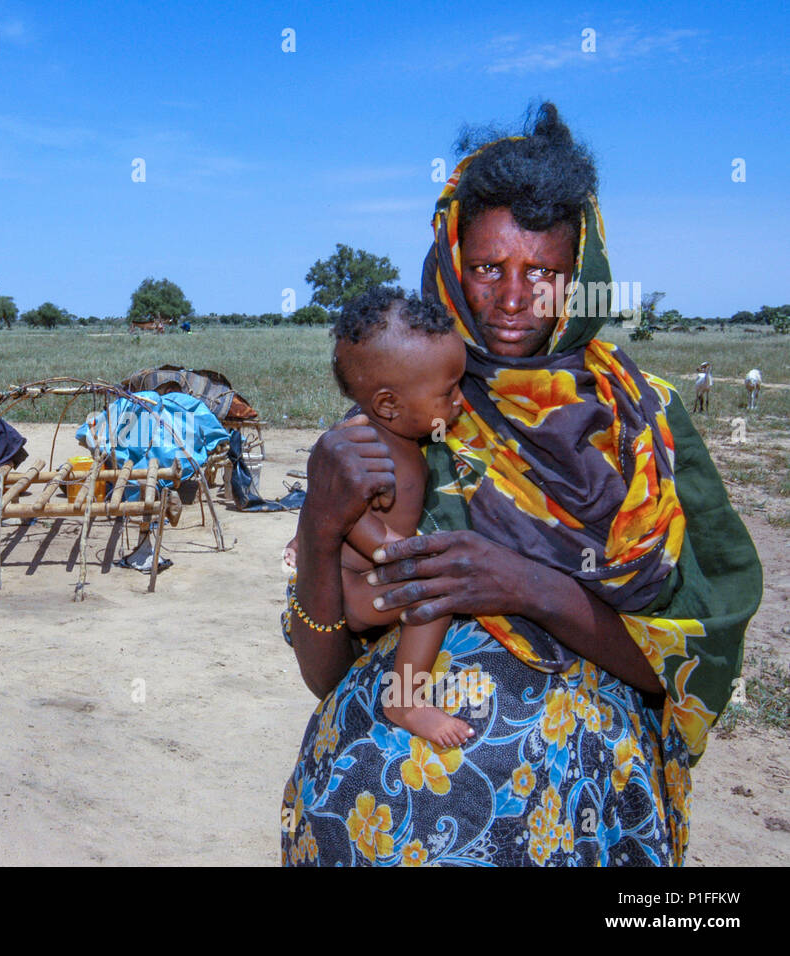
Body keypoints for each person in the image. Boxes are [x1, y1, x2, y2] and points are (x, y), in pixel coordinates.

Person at [281, 103, 761, 866]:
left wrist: (528, 585)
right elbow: (323, 671)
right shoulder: (401, 409)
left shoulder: (645, 421)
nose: (513, 298)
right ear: (448, 260)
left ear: (580, 276)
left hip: (578, 809)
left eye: (543, 272)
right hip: (366, 818)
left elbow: (677, 670)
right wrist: (317, 523)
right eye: (486, 267)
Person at [286, 286, 473, 747]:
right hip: (356, 587)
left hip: (371, 578)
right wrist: (388, 547)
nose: (460, 402)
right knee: (432, 603)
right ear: (389, 404)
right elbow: (344, 512)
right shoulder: (368, 446)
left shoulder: (404, 435)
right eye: (448, 393)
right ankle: (405, 700)